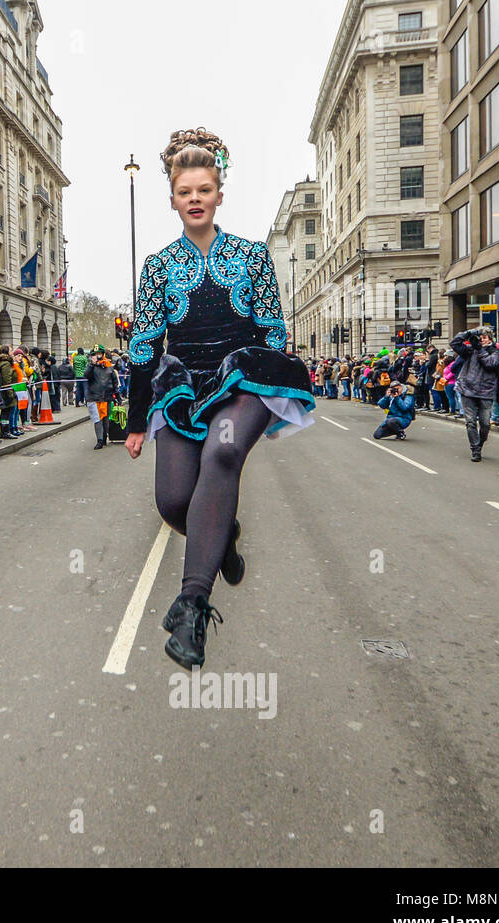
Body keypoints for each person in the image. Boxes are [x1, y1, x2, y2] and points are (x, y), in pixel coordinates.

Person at [124, 128, 314, 670]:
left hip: (242, 379)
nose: (195, 199)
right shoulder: (159, 265)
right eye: (185, 192)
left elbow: (273, 331)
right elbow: (143, 343)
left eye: (204, 189)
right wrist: (136, 421)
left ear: (218, 194)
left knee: (223, 453)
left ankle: (192, 605)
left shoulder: (253, 256)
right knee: (173, 503)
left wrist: (262, 379)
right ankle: (222, 533)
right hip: (184, 384)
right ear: (173, 200)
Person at [449, 326, 499, 462]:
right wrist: (469, 333)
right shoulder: (470, 350)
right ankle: (475, 449)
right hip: (467, 390)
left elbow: (491, 364)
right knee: (470, 422)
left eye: (485, 337)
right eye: (480, 338)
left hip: (485, 392)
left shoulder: (496, 352)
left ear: (490, 339)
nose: (481, 340)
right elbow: (454, 343)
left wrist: (480, 349)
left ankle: (480, 443)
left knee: (485, 423)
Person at [85, 346, 120, 449]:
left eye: (99, 354)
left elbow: (114, 382)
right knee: (97, 419)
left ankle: (104, 437)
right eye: (95, 355)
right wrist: (92, 364)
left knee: (105, 419)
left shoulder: (109, 367)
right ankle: (99, 440)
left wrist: (117, 396)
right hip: (94, 398)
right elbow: (86, 375)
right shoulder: (90, 367)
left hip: (106, 397)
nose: (98, 357)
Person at [0, 344, 18, 439]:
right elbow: (7, 379)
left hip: (6, 390)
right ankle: (5, 431)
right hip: (7, 391)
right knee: (6, 413)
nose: (12, 353)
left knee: (6, 412)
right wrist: (10, 394)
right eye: (11, 350)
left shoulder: (2, 362)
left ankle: (6, 430)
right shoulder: (6, 363)